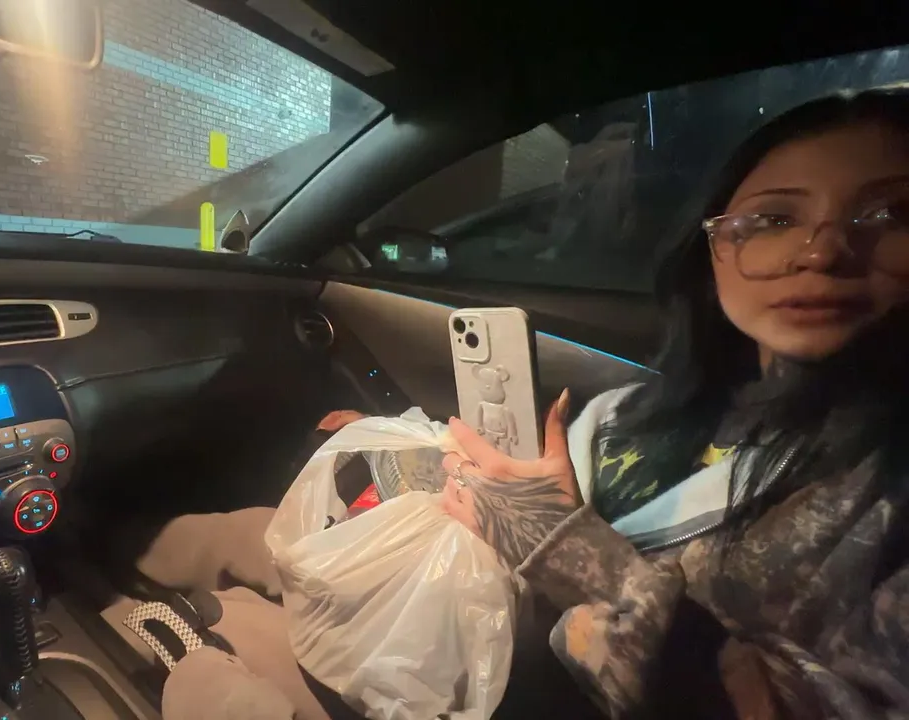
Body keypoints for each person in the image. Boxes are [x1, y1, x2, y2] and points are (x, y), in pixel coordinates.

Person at [132, 89, 909, 720]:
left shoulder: (885, 494)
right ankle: (119, 563)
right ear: (716, 246)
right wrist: (418, 455)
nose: (822, 250)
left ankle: (145, 611)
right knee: (254, 533)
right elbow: (533, 499)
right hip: (489, 629)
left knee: (209, 661)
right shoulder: (673, 404)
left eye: (890, 214)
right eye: (775, 218)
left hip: (518, 686)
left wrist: (559, 542)